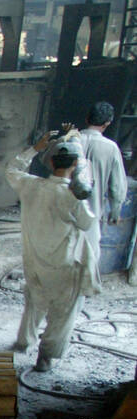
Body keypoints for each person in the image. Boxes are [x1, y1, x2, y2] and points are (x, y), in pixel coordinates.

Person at [7, 133, 97, 372]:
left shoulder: (30, 185)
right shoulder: (73, 197)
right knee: (62, 313)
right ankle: (45, 357)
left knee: (34, 301)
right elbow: (87, 223)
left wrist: (34, 149)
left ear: (50, 162)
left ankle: (24, 342)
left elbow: (12, 168)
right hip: (63, 264)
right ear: (75, 165)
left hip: (34, 260)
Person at [48, 103, 129, 291]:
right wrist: (115, 211)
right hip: (91, 214)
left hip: (62, 210)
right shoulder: (111, 148)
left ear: (87, 119)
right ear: (108, 123)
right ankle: (76, 297)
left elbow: (47, 162)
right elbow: (117, 186)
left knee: (58, 255)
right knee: (86, 262)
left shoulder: (66, 141)